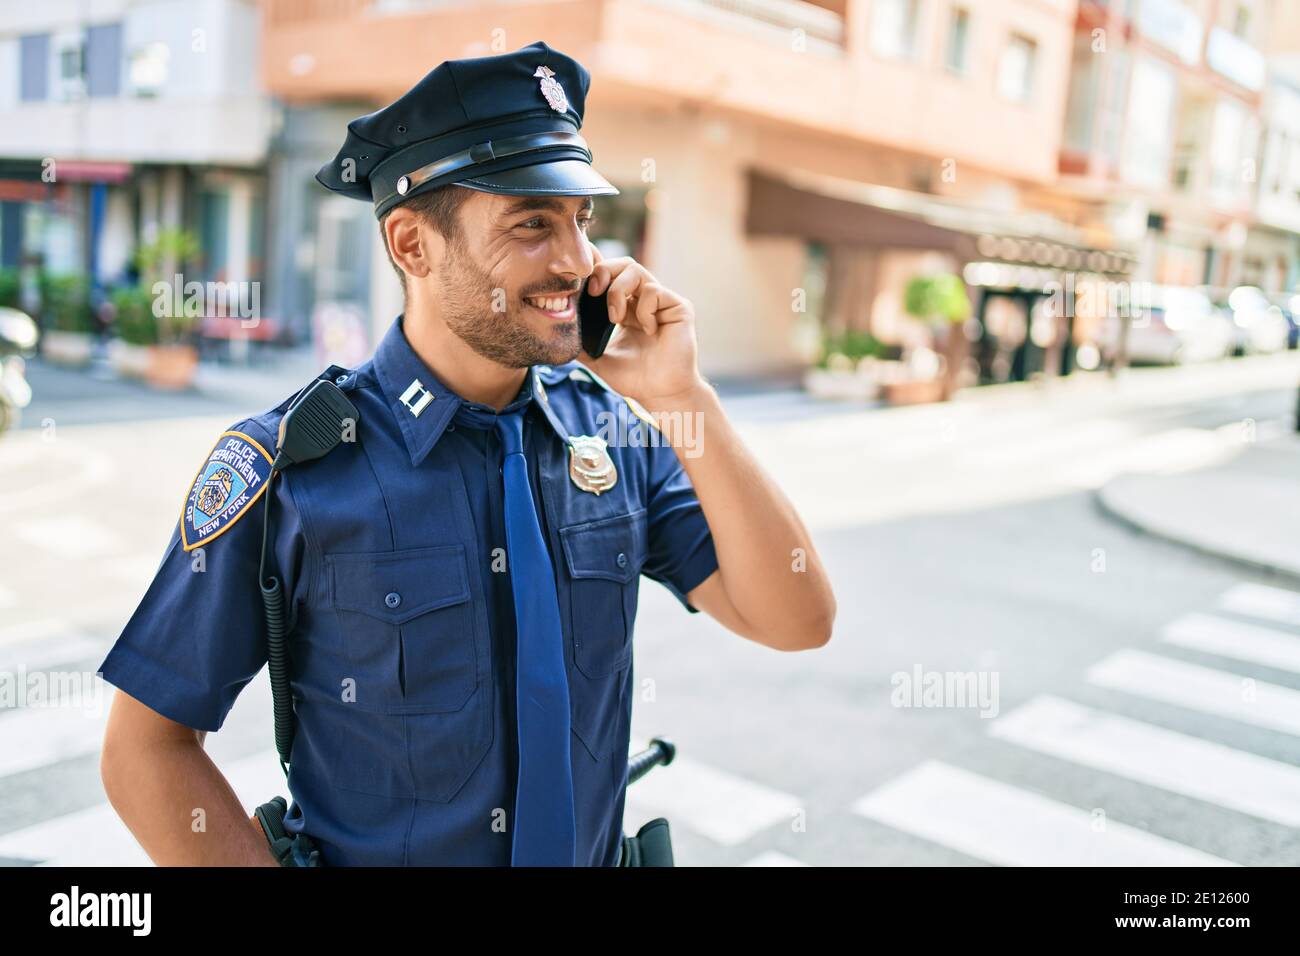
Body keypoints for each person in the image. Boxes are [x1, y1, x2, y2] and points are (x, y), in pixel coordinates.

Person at [97, 40, 836, 867]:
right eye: (531, 224)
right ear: (412, 245)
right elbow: (145, 751)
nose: (578, 262)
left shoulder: (615, 431)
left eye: (580, 222)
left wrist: (684, 399)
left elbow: (796, 619)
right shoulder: (290, 467)